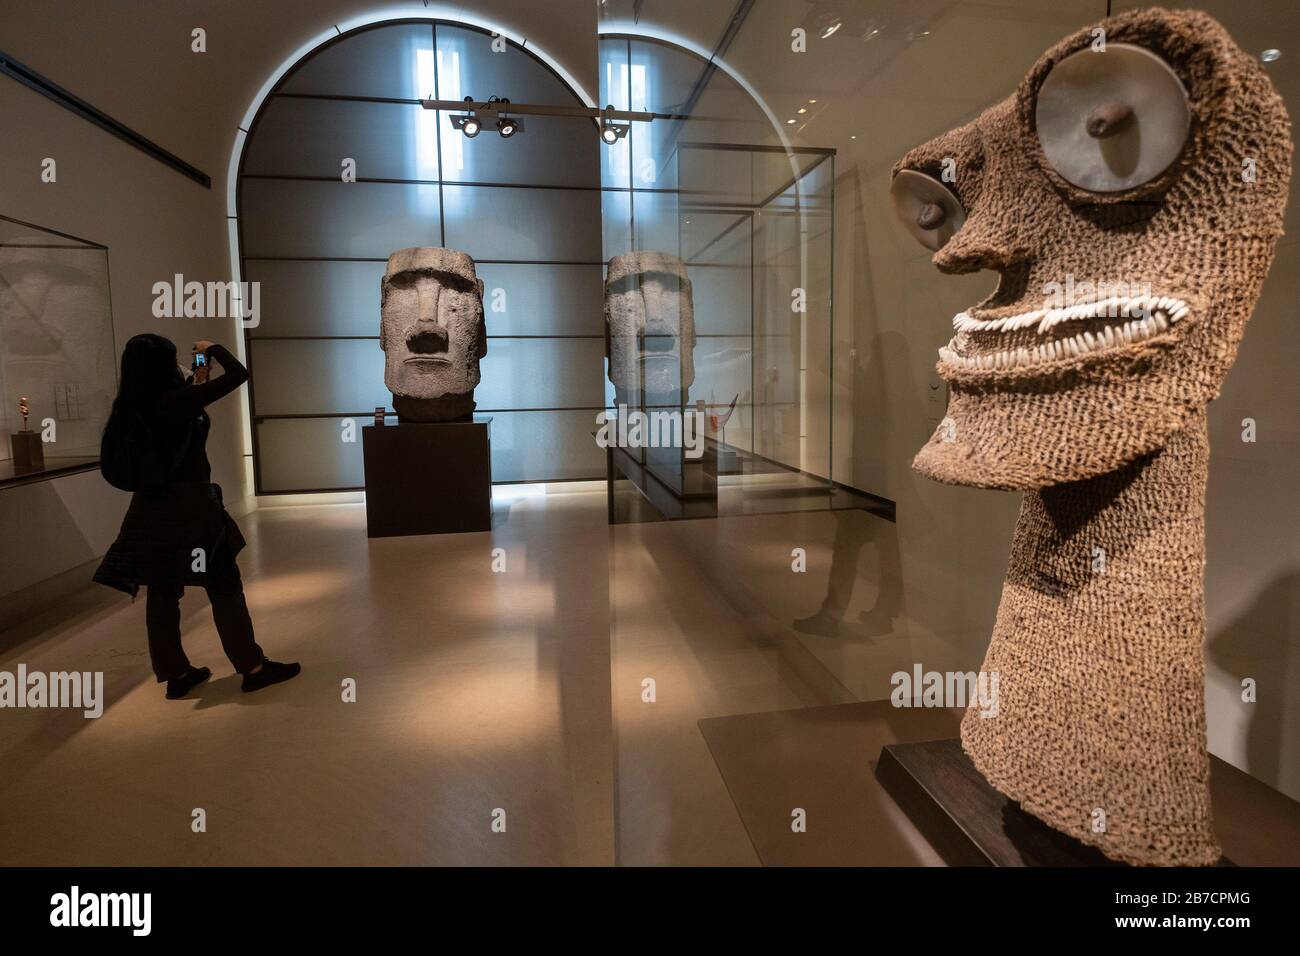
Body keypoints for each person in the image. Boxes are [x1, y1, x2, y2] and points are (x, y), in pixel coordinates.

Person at [94, 334, 300, 698]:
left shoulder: (131, 405)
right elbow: (238, 374)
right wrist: (212, 349)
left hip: (148, 510)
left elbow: (185, 405)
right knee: (222, 584)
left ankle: (176, 673)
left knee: (161, 592)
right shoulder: (176, 402)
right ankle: (252, 667)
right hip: (191, 509)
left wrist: (198, 375)